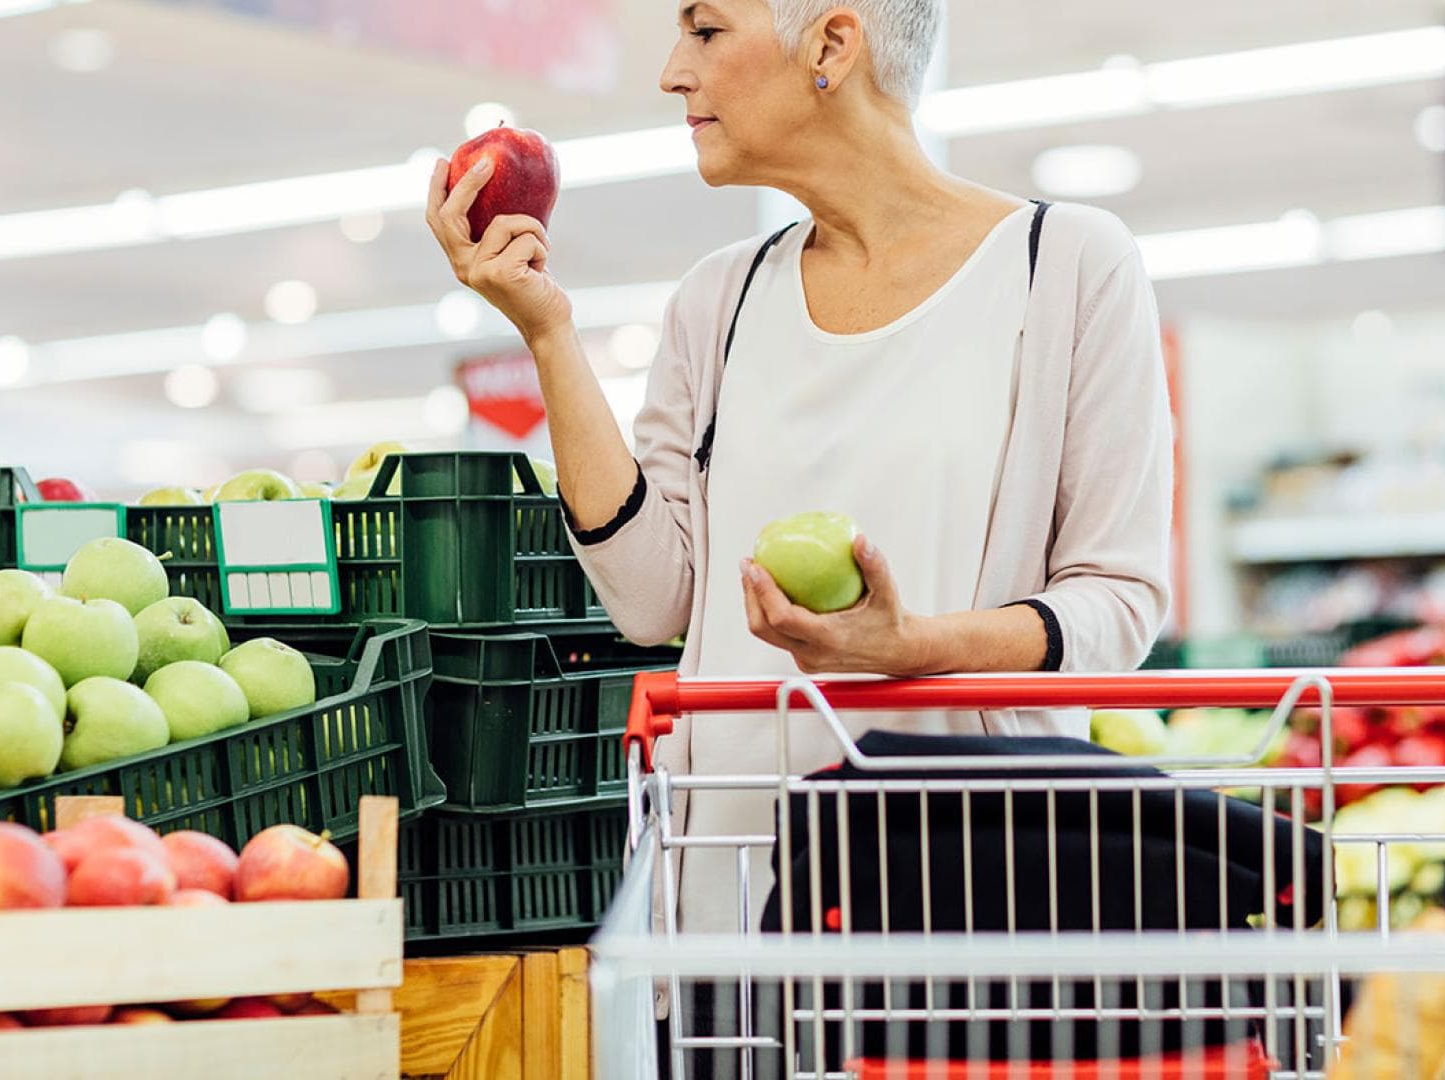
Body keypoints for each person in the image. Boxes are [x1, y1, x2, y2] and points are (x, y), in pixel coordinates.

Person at [427, 0, 1173, 940]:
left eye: (704, 31)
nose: (671, 72)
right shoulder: (720, 299)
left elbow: (1118, 603)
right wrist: (547, 332)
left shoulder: (1064, 266)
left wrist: (913, 647)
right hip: (732, 895)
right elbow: (654, 602)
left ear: (830, 44)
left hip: (974, 888)